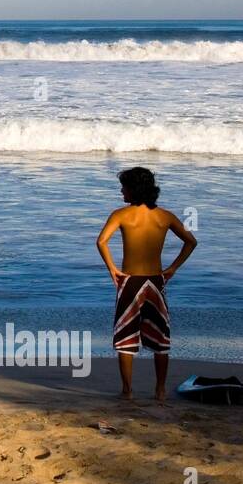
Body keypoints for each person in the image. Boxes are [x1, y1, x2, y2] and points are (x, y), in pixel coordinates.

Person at [95, 167, 197, 403]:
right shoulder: (165, 216)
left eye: (124, 186)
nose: (121, 190)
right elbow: (191, 242)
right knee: (160, 338)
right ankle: (160, 391)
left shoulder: (120, 215)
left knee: (125, 338)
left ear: (134, 189)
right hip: (155, 283)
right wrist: (172, 269)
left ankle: (128, 391)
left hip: (129, 282)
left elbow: (101, 241)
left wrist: (112, 268)